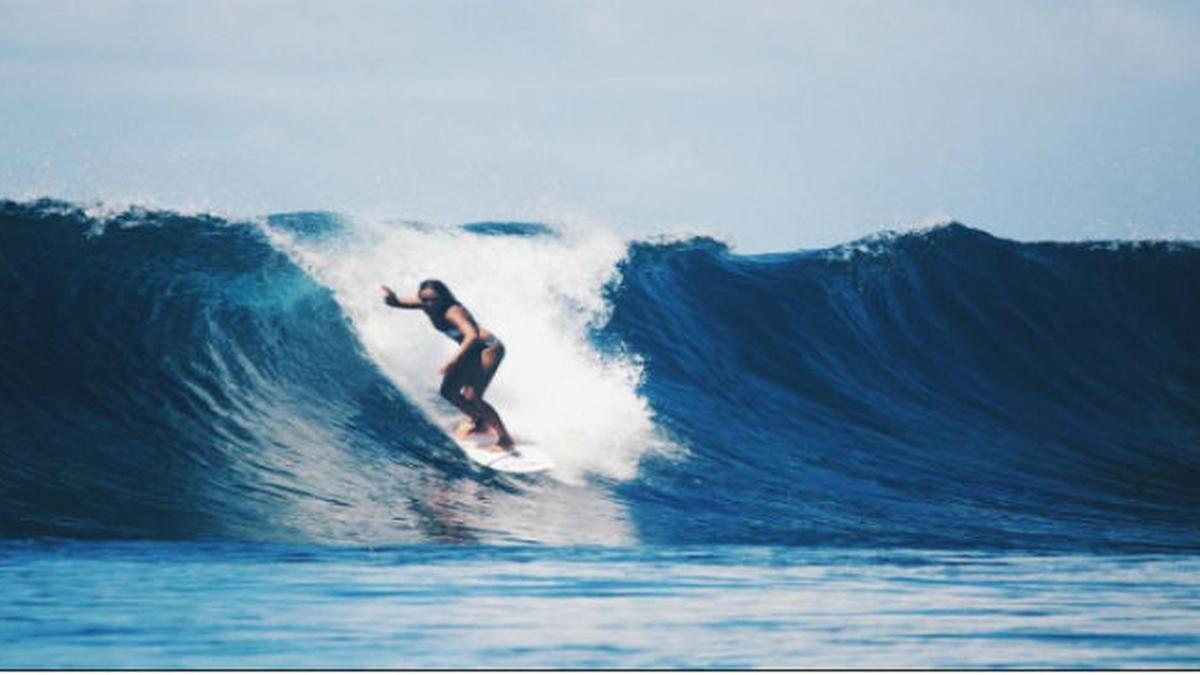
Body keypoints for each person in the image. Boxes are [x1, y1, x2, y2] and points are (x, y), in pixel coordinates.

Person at [381, 279, 515, 452]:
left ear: (443, 298)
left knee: (472, 397)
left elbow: (472, 335)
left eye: (433, 299)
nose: (429, 304)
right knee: (448, 392)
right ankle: (479, 421)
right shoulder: (427, 305)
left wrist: (453, 360)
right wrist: (391, 299)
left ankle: (505, 438)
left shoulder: (453, 312)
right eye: (424, 299)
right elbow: (397, 303)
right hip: (471, 350)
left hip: (488, 349)